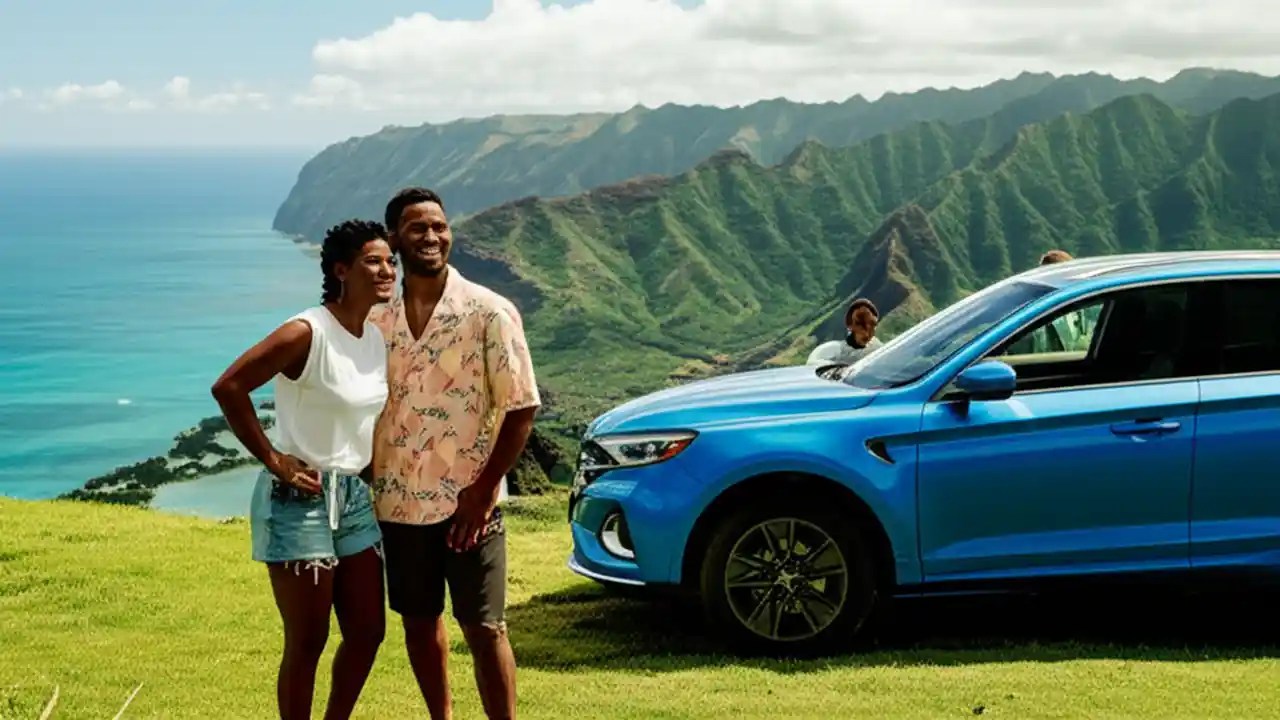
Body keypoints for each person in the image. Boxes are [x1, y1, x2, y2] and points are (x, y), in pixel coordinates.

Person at [210, 220, 396, 720]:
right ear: (341, 270)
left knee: (367, 632)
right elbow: (229, 387)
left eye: (389, 261)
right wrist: (273, 458)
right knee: (309, 638)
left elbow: (362, 421)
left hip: (354, 498)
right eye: (373, 261)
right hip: (301, 497)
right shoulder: (306, 332)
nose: (387, 270)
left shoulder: (374, 340)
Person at [371, 187, 540, 720]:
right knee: (419, 622)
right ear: (395, 238)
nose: (432, 236)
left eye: (439, 226)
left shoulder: (489, 312)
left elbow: (520, 408)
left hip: (472, 504)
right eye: (417, 228)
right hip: (397, 503)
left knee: (486, 625)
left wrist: (484, 489)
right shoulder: (377, 321)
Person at [807, 297, 883, 366]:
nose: (866, 332)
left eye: (871, 325)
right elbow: (812, 364)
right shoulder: (834, 351)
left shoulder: (877, 348)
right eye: (860, 324)